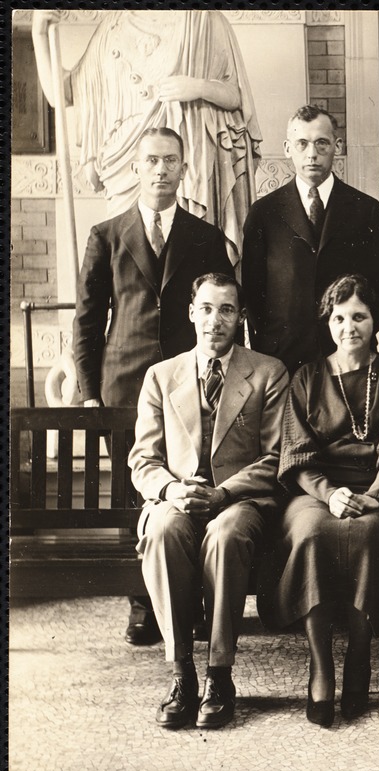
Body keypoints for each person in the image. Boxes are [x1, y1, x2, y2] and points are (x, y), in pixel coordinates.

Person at [74, 126, 233, 647]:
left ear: (183, 169)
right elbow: (88, 318)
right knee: (135, 492)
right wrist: (90, 389)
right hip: (124, 383)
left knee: (195, 480)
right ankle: (145, 603)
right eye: (151, 161)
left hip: (190, 382)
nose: (161, 170)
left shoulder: (205, 236)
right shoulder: (108, 233)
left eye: (170, 161)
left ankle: (202, 598)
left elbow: (221, 309)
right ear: (136, 169)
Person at [257, 275, 379, 727]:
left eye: (360, 317)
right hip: (318, 492)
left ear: (375, 321)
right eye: (340, 317)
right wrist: (331, 495)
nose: (350, 327)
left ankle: (360, 655)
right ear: (328, 322)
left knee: (368, 534)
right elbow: (297, 455)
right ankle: (321, 663)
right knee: (311, 534)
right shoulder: (307, 377)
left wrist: (371, 498)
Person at [128, 272, 288, 729]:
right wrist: (173, 490)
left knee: (226, 534)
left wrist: (223, 492)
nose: (214, 320)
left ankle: (220, 675)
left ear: (239, 318)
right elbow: (144, 460)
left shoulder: (267, 371)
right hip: (178, 497)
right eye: (206, 308)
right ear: (191, 312)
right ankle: (182, 675)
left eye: (226, 310)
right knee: (161, 529)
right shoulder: (161, 376)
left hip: (239, 499)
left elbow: (275, 457)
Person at [32, 9, 260, 264]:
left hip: (188, 164)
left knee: (192, 268)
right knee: (131, 269)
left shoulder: (204, 20)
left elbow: (236, 96)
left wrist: (198, 87)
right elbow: (60, 93)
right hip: (126, 166)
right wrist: (39, 33)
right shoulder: (112, 27)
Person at [243, 106, 379, 374]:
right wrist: (269, 348)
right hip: (283, 359)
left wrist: (356, 337)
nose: (311, 154)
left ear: (337, 145)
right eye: (302, 144)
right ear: (287, 148)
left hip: (350, 354)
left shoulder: (366, 210)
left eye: (321, 143)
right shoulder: (264, 213)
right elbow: (253, 292)